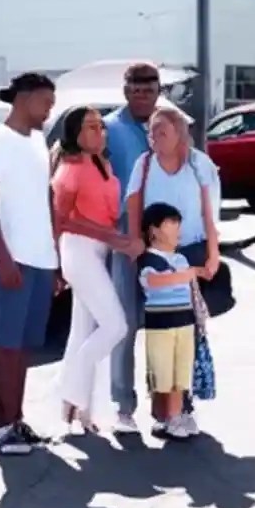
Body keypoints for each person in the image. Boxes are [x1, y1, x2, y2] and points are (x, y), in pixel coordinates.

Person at [0, 72, 58, 456]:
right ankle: (2, 427)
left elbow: (44, 203)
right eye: (46, 102)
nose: (49, 110)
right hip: (10, 261)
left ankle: (17, 422)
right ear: (23, 99)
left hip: (40, 260)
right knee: (5, 345)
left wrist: (54, 262)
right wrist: (4, 260)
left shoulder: (39, 141)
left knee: (23, 347)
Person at [125, 105, 221, 436]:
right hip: (156, 252)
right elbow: (133, 204)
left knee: (188, 331)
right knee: (160, 332)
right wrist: (135, 242)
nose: (154, 138)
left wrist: (213, 253)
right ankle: (162, 412)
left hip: (191, 247)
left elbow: (210, 213)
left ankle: (182, 407)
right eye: (151, 132)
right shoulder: (145, 164)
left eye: (161, 132)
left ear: (179, 133)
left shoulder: (199, 165)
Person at [51, 106, 143, 436]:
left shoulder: (101, 162)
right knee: (116, 325)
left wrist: (114, 239)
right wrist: (115, 239)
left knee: (83, 329)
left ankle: (79, 413)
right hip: (78, 250)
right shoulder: (71, 168)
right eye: (90, 128)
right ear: (75, 134)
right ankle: (68, 389)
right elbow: (62, 220)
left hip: (97, 250)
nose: (99, 132)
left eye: (101, 126)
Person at [105, 62, 163, 434]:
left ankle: (170, 405)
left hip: (167, 236)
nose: (142, 96)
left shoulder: (174, 123)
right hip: (124, 235)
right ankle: (123, 405)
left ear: (159, 90)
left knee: (166, 323)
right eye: (135, 90)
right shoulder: (108, 129)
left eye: (149, 89)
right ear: (125, 91)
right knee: (124, 323)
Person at [136, 202, 207, 440]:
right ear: (153, 230)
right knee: (162, 374)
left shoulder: (181, 259)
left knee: (180, 373)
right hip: (160, 327)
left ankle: (177, 416)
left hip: (184, 323)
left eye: (178, 223)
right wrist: (183, 276)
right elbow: (152, 282)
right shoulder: (149, 260)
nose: (177, 229)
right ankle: (167, 417)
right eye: (171, 223)